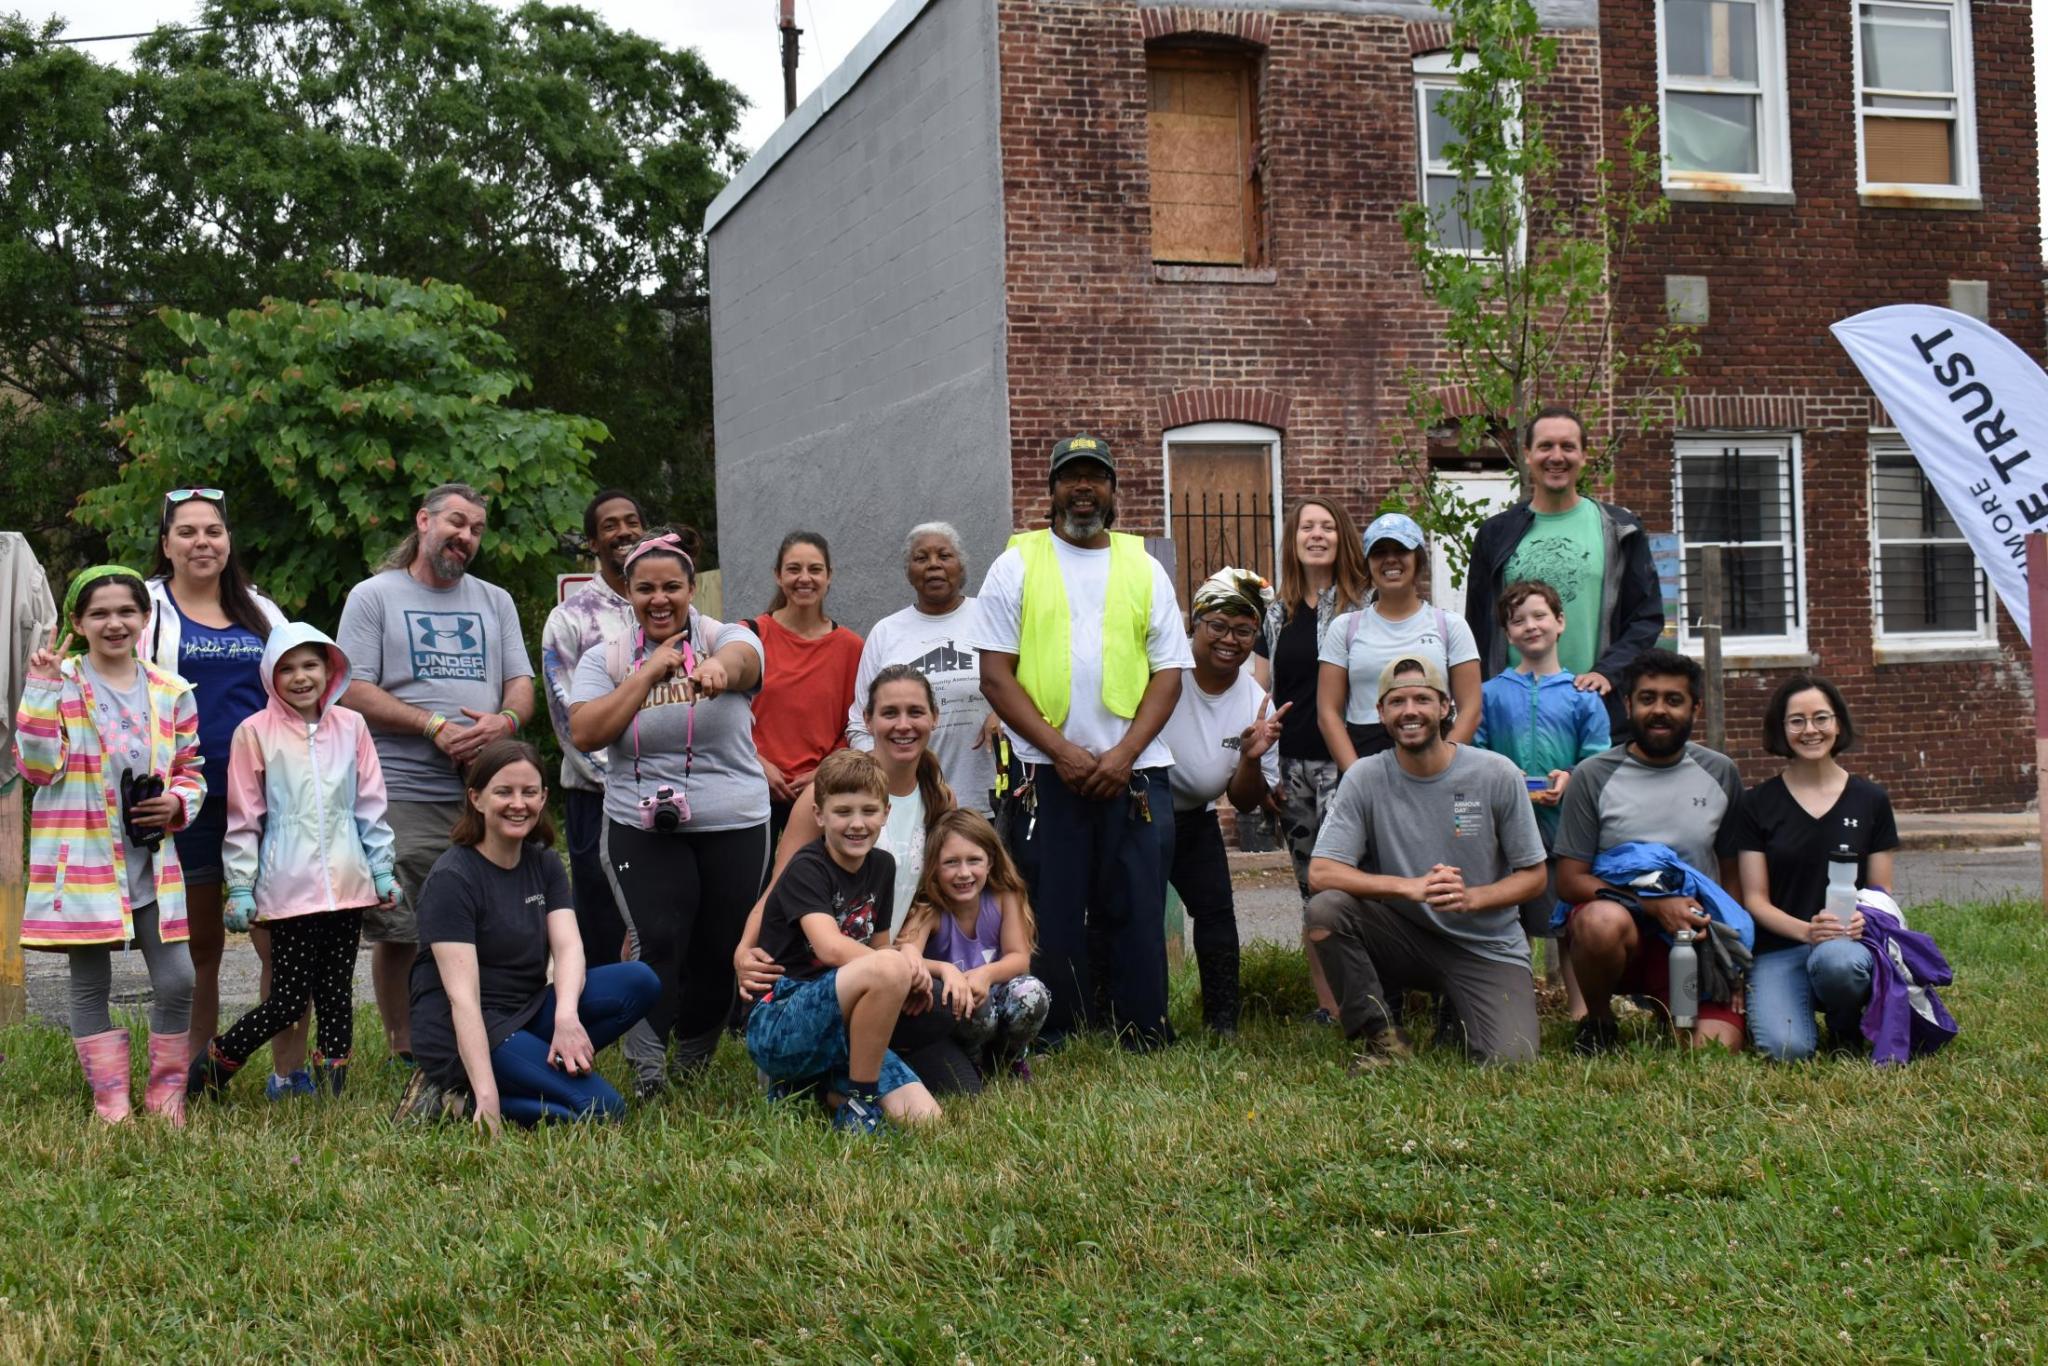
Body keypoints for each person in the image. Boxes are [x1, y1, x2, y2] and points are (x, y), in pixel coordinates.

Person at [974, 433, 1191, 1048]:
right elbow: (996, 675)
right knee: (1053, 910)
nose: (1084, 488)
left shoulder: (1143, 566)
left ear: (1115, 492)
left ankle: (1144, 1029)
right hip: (1046, 772)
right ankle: (1052, 1031)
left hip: (1137, 772)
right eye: (1071, 477)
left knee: (1137, 907)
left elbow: (1169, 674)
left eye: (1096, 477)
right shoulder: (1016, 563)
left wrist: (1122, 755)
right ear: (1051, 492)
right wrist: (1063, 751)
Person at [337, 482, 535, 1066]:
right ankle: (404, 1044)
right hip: (403, 788)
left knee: (486, 916)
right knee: (402, 925)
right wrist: (432, 727)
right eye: (456, 522)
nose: (466, 536)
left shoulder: (494, 600)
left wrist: (503, 722)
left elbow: (522, 686)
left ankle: (483, 1024)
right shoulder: (374, 596)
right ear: (423, 520)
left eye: (476, 529)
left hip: (488, 792)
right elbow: (350, 687)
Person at [568, 531, 769, 1094]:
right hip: (640, 820)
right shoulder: (604, 657)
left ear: (691, 591)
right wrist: (647, 673)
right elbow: (586, 731)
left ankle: (696, 1055)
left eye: (672, 588)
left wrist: (718, 671)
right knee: (657, 938)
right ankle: (648, 1067)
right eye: (646, 589)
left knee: (718, 942)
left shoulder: (722, 636)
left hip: (734, 817)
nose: (660, 599)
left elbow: (745, 659)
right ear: (628, 593)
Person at [15, 567, 203, 1125]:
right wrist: (42, 688)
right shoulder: (61, 682)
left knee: (178, 978)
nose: (114, 623)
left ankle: (166, 1094)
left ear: (145, 620)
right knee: (90, 979)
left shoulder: (172, 690)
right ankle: (110, 1100)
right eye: (99, 613)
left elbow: (191, 768)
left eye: (126, 611)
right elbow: (37, 767)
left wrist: (177, 804)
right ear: (77, 622)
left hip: (151, 858)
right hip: (84, 862)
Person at [739, 665, 977, 1092]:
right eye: (889, 713)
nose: (903, 725)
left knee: (957, 1065)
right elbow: (782, 882)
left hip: (886, 963)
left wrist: (918, 961)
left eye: (915, 712)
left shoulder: (940, 797)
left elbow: (927, 898)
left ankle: (858, 1062)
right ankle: (818, 1070)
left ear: (933, 718)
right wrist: (743, 949)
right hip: (829, 975)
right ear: (867, 720)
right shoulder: (834, 793)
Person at [1305, 657, 1549, 1069]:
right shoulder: (1365, 777)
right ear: (1381, 714)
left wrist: (1473, 898)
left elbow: (1535, 876)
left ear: (1445, 707)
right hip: (1407, 939)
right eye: (1397, 702)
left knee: (1513, 1060)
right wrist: (1409, 887)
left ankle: (1458, 1010)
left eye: (1422, 698)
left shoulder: (1496, 774)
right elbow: (1321, 873)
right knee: (1326, 910)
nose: (1410, 711)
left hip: (1485, 946)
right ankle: (1383, 1037)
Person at [405, 741, 660, 1130]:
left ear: (543, 798)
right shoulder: (452, 878)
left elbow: (570, 946)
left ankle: (535, 1064)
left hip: (527, 1008)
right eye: (503, 792)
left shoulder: (542, 861)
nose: (517, 803)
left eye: (529, 792)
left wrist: (566, 1018)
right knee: (605, 1110)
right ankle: (459, 1096)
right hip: (467, 1028)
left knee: (640, 981)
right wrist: (488, 1098)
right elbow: (462, 999)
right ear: (476, 798)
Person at [191, 624, 398, 1099]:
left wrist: (382, 869)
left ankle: (330, 1092)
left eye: (310, 665)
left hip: (348, 885)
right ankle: (213, 1067)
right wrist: (241, 886)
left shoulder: (353, 727)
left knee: (336, 996)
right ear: (270, 676)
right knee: (287, 1001)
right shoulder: (255, 733)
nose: (300, 677)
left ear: (331, 671)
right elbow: (245, 817)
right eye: (287, 668)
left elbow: (370, 804)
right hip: (288, 889)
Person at [140, 489, 297, 1095]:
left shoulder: (261, 609)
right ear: (166, 545)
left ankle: (290, 1072)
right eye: (187, 532)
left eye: (213, 531)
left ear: (228, 542)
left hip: (266, 793)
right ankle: (196, 1072)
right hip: (186, 797)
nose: (201, 542)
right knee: (199, 944)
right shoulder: (147, 608)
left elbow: (298, 687)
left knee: (283, 941)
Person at [1554, 648, 1747, 1055]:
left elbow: (1732, 879)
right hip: (1623, 937)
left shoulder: (1720, 772)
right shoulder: (1593, 776)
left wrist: (1737, 963)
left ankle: (1670, 1010)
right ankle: (1600, 1023)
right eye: (1647, 699)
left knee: (1712, 1050)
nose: (1659, 710)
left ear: (1695, 707)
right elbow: (1570, 882)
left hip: (1695, 940)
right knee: (1600, 921)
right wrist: (1653, 906)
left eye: (1673, 700)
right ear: (1628, 704)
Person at [744, 749, 944, 1135]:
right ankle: (860, 1104)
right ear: (819, 815)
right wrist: (897, 965)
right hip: (781, 1016)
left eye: (869, 811)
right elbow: (831, 948)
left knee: (925, 1121)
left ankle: (807, 1089)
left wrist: (907, 971)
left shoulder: (882, 867)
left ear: (886, 813)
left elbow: (881, 946)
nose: (857, 824)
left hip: (844, 1022)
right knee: (888, 965)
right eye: (843, 812)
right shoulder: (807, 867)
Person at [1464, 407, 1664, 736]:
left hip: (1596, 712)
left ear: (1584, 455)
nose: (1556, 457)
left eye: (1568, 447)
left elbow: (1646, 618)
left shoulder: (1619, 530)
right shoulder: (1495, 535)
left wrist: (1607, 672)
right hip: (1512, 717)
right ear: (1527, 454)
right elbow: (1477, 628)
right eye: (1545, 446)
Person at [1252, 497, 1372, 1022]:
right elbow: (1258, 692)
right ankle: (1329, 1006)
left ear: (1342, 537)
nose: (1317, 535)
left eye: (1327, 526)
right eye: (1307, 527)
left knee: (1361, 880)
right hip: (1296, 768)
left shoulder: (1365, 606)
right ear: (1293, 539)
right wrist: (1264, 769)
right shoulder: (1276, 614)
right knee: (1311, 887)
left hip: (1354, 766)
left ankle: (1373, 996)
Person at [1734, 676, 1894, 1061]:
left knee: (1838, 963)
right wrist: (1808, 931)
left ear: (1838, 724)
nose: (1810, 730)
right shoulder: (1755, 804)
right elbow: (1755, 900)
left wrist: (1863, 920)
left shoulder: (1871, 800)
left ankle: (1845, 1024)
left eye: (1821, 718)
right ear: (1781, 728)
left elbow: (1881, 892)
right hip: (1779, 949)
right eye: (1797, 721)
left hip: (1846, 946)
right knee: (1785, 1050)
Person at [1472, 580, 1610, 1014]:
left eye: (1539, 616)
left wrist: (1570, 776)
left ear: (1560, 622)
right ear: (1507, 632)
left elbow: (1600, 760)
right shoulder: (1489, 694)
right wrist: (1504, 780)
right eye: (1518, 620)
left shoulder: (1582, 696)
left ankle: (1580, 1006)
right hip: (1507, 828)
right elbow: (1474, 753)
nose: (1530, 626)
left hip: (1566, 826)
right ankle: (1515, 1003)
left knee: (1567, 914)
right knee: (1510, 917)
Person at [1157, 568, 1284, 1036]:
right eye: (1218, 626)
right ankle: (1134, 1017)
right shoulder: (1165, 670)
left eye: (1244, 630)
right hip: (1139, 812)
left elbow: (1246, 801)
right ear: (1197, 623)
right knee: (1128, 911)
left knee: (1215, 912)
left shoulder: (1255, 702)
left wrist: (1250, 758)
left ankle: (1222, 1021)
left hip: (1195, 818)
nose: (1230, 639)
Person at [539, 488, 648, 966]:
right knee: (601, 919)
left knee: (661, 912)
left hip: (665, 794)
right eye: (610, 525)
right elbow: (568, 718)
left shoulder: (668, 608)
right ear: (592, 542)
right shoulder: (570, 619)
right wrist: (624, 779)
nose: (623, 531)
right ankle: (600, 1019)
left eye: (631, 521)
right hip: (597, 796)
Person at [846, 522, 999, 815]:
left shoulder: (990, 618)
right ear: (909, 572)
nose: (933, 565)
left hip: (989, 799)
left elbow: (1027, 685)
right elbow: (859, 724)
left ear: (961, 565)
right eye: (921, 558)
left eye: (944, 556)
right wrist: (885, 781)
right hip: (910, 804)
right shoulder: (886, 632)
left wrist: (1004, 712)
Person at [894, 809, 1050, 1077]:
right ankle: (973, 1060)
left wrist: (985, 974)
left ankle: (1010, 1057)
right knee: (969, 1001)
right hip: (960, 1013)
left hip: (998, 997)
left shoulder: (1004, 896)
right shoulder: (929, 908)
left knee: (1031, 992)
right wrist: (947, 969)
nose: (964, 873)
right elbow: (906, 952)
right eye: (951, 862)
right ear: (933, 866)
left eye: (974, 860)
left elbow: (1019, 958)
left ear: (990, 862)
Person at [1318, 511, 1481, 768]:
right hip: (1364, 754)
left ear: (1418, 560)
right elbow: (1328, 713)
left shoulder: (1451, 626)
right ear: (1368, 563)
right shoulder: (1344, 628)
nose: (1390, 559)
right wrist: (1355, 776)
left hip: (1433, 757)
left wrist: (1446, 765)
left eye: (1401, 550)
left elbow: (1471, 708)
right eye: (1379, 552)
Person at [747, 530, 864, 841]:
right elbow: (723, 718)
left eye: (815, 569)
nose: (804, 578)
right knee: (754, 890)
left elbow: (855, 724)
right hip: (754, 786)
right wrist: (756, 762)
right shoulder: (751, 637)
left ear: (829, 576)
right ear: (777, 575)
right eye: (794, 569)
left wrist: (825, 772)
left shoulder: (851, 648)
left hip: (821, 792)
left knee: (817, 887)